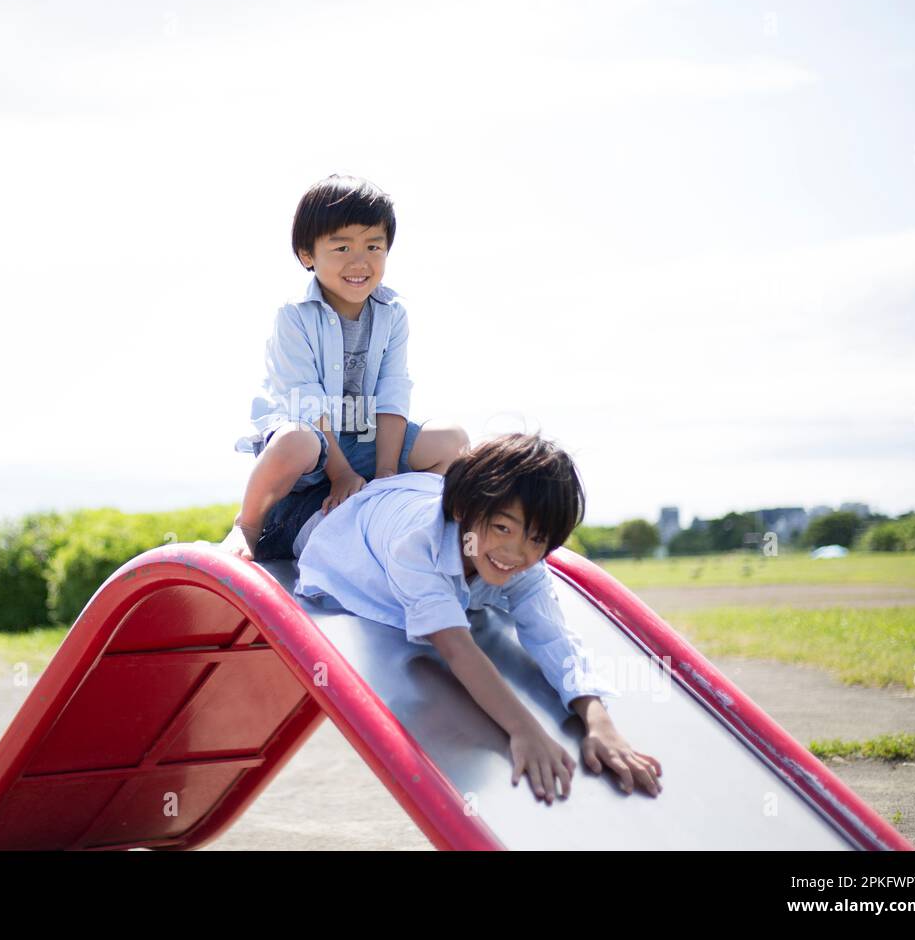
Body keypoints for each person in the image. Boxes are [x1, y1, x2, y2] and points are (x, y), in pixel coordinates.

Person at [293, 431, 664, 804]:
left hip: (405, 496)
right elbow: (455, 648)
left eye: (536, 539)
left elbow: (554, 637)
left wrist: (597, 719)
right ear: (463, 511)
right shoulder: (417, 545)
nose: (514, 552)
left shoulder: (522, 563)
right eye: (503, 528)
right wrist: (524, 729)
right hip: (328, 521)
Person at [221, 173, 469, 561]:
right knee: (295, 440)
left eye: (374, 246)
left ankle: (403, 514)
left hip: (364, 436)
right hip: (308, 441)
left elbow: (392, 391)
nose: (360, 261)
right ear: (308, 255)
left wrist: (386, 474)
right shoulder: (294, 316)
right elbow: (306, 400)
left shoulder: (392, 314)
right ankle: (247, 526)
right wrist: (339, 472)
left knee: (452, 439)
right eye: (341, 248)